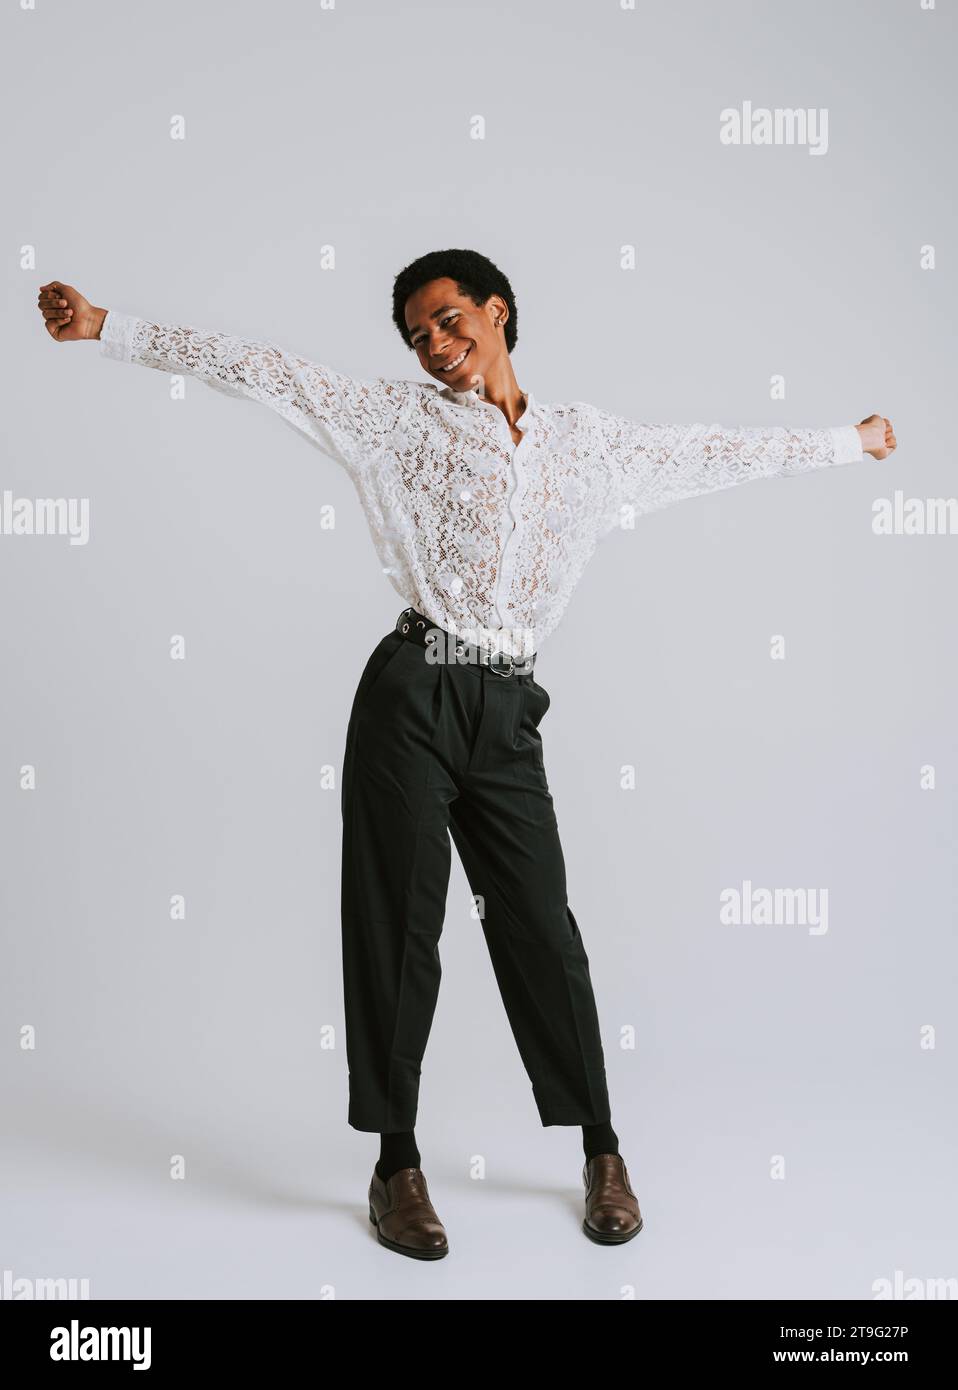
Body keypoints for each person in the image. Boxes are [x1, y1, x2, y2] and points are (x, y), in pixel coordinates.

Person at [36, 249, 897, 1261]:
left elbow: (707, 452)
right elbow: (262, 368)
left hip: (505, 707)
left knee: (541, 925)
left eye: (447, 321)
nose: (434, 347)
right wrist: (110, 326)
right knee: (398, 923)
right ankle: (395, 1165)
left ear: (496, 311)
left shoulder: (588, 444)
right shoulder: (396, 422)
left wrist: (847, 442)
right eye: (417, 336)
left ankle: (602, 1151)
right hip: (410, 692)